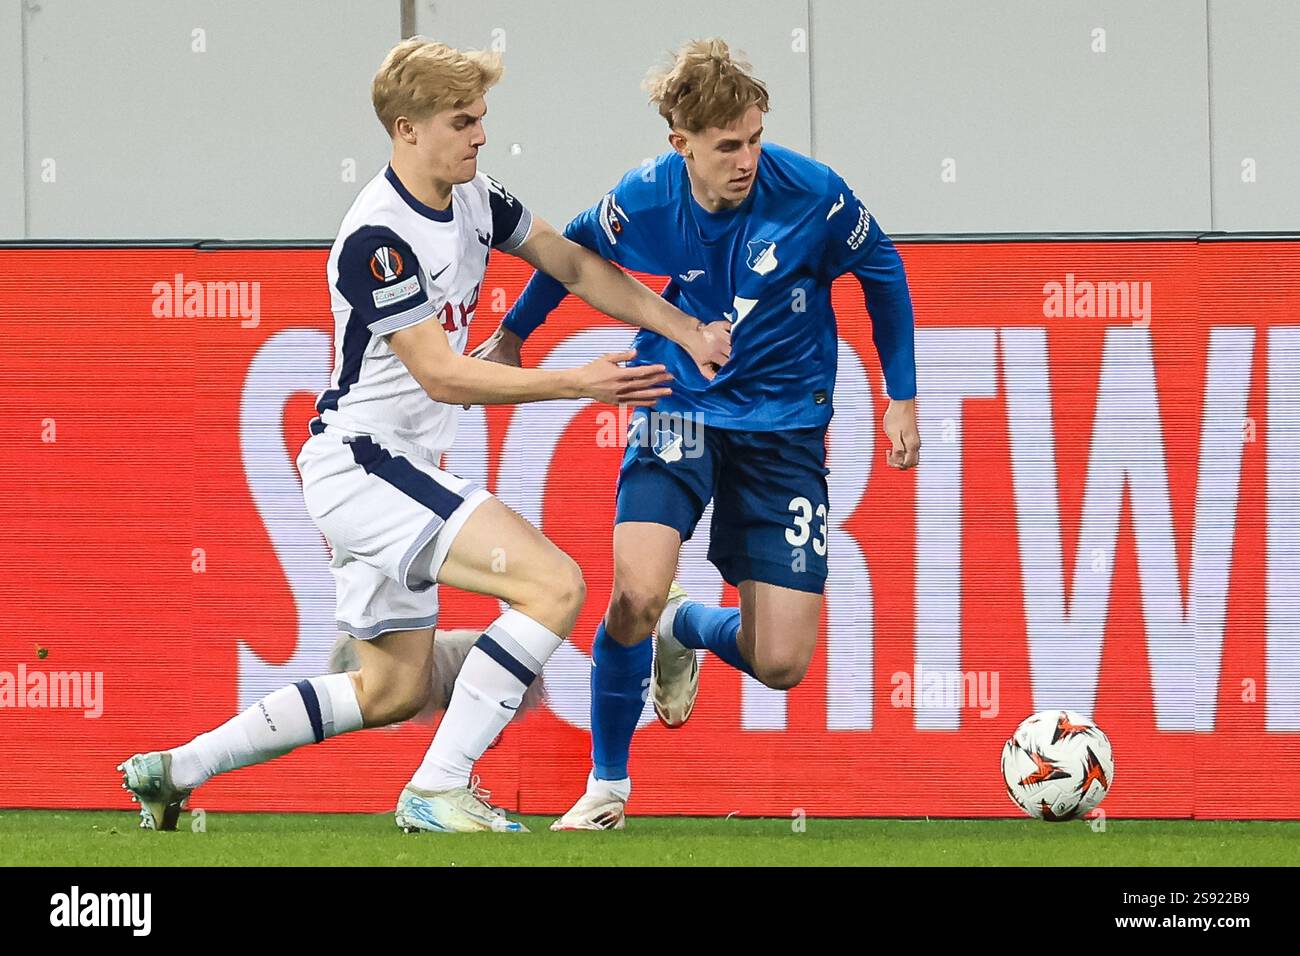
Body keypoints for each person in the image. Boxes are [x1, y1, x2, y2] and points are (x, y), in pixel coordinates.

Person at [118, 37, 729, 834]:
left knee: (391, 689)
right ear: (406, 129)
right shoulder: (378, 239)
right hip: (363, 463)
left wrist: (678, 324)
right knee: (555, 587)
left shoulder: (475, 199)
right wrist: (577, 382)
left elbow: (573, 265)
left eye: (482, 119)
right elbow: (442, 374)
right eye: (462, 120)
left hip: (387, 466)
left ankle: (176, 769)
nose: (481, 136)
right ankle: (439, 784)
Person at [473, 38, 920, 830]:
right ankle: (608, 786)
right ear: (680, 144)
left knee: (781, 662)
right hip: (680, 405)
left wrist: (901, 396)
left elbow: (882, 268)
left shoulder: (813, 194)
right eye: (726, 146)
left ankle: (687, 627)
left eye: (753, 138)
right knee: (635, 593)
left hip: (786, 427)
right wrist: (513, 336)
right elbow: (570, 257)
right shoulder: (644, 198)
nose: (747, 158)